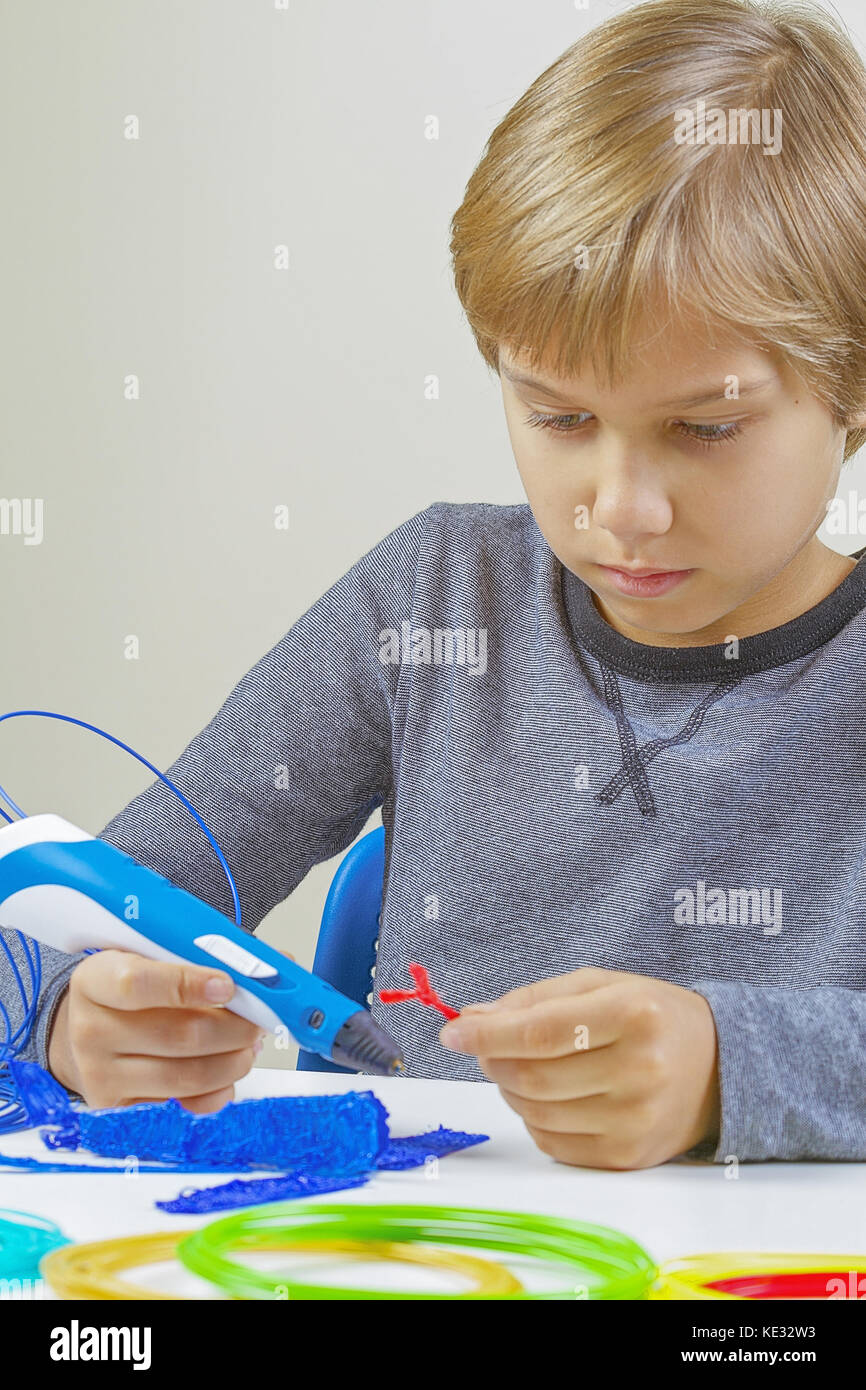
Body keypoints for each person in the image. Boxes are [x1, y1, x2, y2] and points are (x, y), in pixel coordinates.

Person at [5, 0, 866, 1168]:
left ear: (849, 388)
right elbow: (108, 893)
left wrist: (731, 1068)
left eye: (705, 427)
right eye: (557, 415)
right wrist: (70, 1013)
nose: (617, 507)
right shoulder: (430, 601)